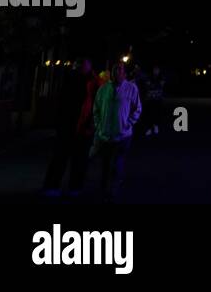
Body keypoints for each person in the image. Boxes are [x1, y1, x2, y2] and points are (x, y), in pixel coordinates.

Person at [41, 59, 97, 197]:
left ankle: (72, 186)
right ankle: (55, 186)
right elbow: (62, 103)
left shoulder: (94, 83)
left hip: (82, 126)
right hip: (69, 125)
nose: (83, 66)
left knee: (78, 159)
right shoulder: (77, 80)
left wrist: (92, 124)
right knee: (62, 157)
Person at [93, 62, 141, 203]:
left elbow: (137, 108)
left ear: (124, 74)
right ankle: (104, 189)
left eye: (120, 70)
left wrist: (128, 123)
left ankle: (114, 189)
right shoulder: (103, 89)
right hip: (105, 134)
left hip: (123, 135)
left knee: (117, 162)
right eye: (115, 70)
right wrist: (98, 125)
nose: (117, 72)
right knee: (106, 163)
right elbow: (96, 108)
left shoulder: (131, 89)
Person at [141, 65, 166, 136]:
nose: (156, 71)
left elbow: (160, 85)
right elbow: (147, 85)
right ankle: (149, 128)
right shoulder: (149, 77)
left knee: (157, 113)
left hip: (158, 99)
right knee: (149, 114)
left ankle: (156, 126)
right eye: (155, 69)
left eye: (157, 69)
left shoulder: (161, 77)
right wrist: (153, 86)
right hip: (149, 99)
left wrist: (154, 85)